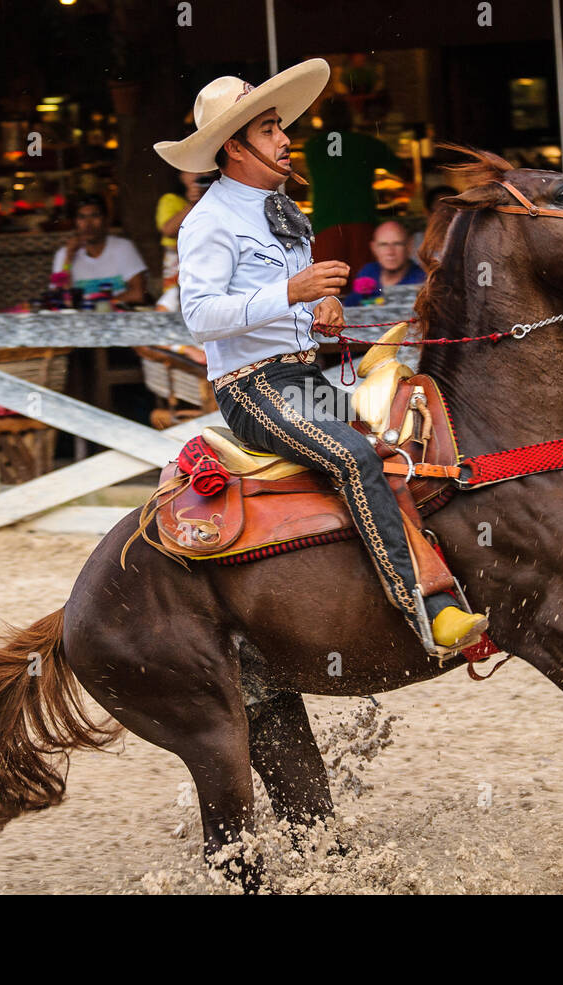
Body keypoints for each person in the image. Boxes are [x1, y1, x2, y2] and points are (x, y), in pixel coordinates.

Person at [156, 58, 487, 654]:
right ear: (233, 148)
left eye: (280, 126)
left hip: (301, 374)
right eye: (268, 130)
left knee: (404, 437)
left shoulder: (283, 211)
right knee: (356, 454)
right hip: (251, 387)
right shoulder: (206, 223)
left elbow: (282, 307)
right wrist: (293, 292)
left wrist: (318, 310)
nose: (285, 139)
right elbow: (199, 317)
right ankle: (426, 607)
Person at [302, 97, 404, 281]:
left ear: (322, 118)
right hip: (362, 220)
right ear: (351, 117)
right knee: (365, 286)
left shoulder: (312, 147)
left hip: (326, 223)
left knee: (329, 289)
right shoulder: (366, 143)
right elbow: (403, 170)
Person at [50, 193, 148, 306]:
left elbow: (138, 294)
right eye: (82, 217)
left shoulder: (122, 247)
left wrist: (100, 306)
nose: (88, 224)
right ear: (76, 222)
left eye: (95, 216)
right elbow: (57, 296)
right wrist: (68, 259)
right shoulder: (64, 254)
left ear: (106, 220)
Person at [154, 170, 207, 312]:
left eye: (203, 172)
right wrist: (192, 204)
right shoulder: (171, 199)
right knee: (175, 301)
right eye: (191, 171)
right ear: (181, 176)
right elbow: (168, 230)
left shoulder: (217, 199)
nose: (198, 175)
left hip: (208, 259)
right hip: (179, 263)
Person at [343, 219, 426, 307]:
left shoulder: (422, 279)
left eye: (397, 244)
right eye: (383, 245)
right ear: (374, 248)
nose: (390, 252)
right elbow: (349, 307)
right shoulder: (368, 272)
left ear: (409, 246)